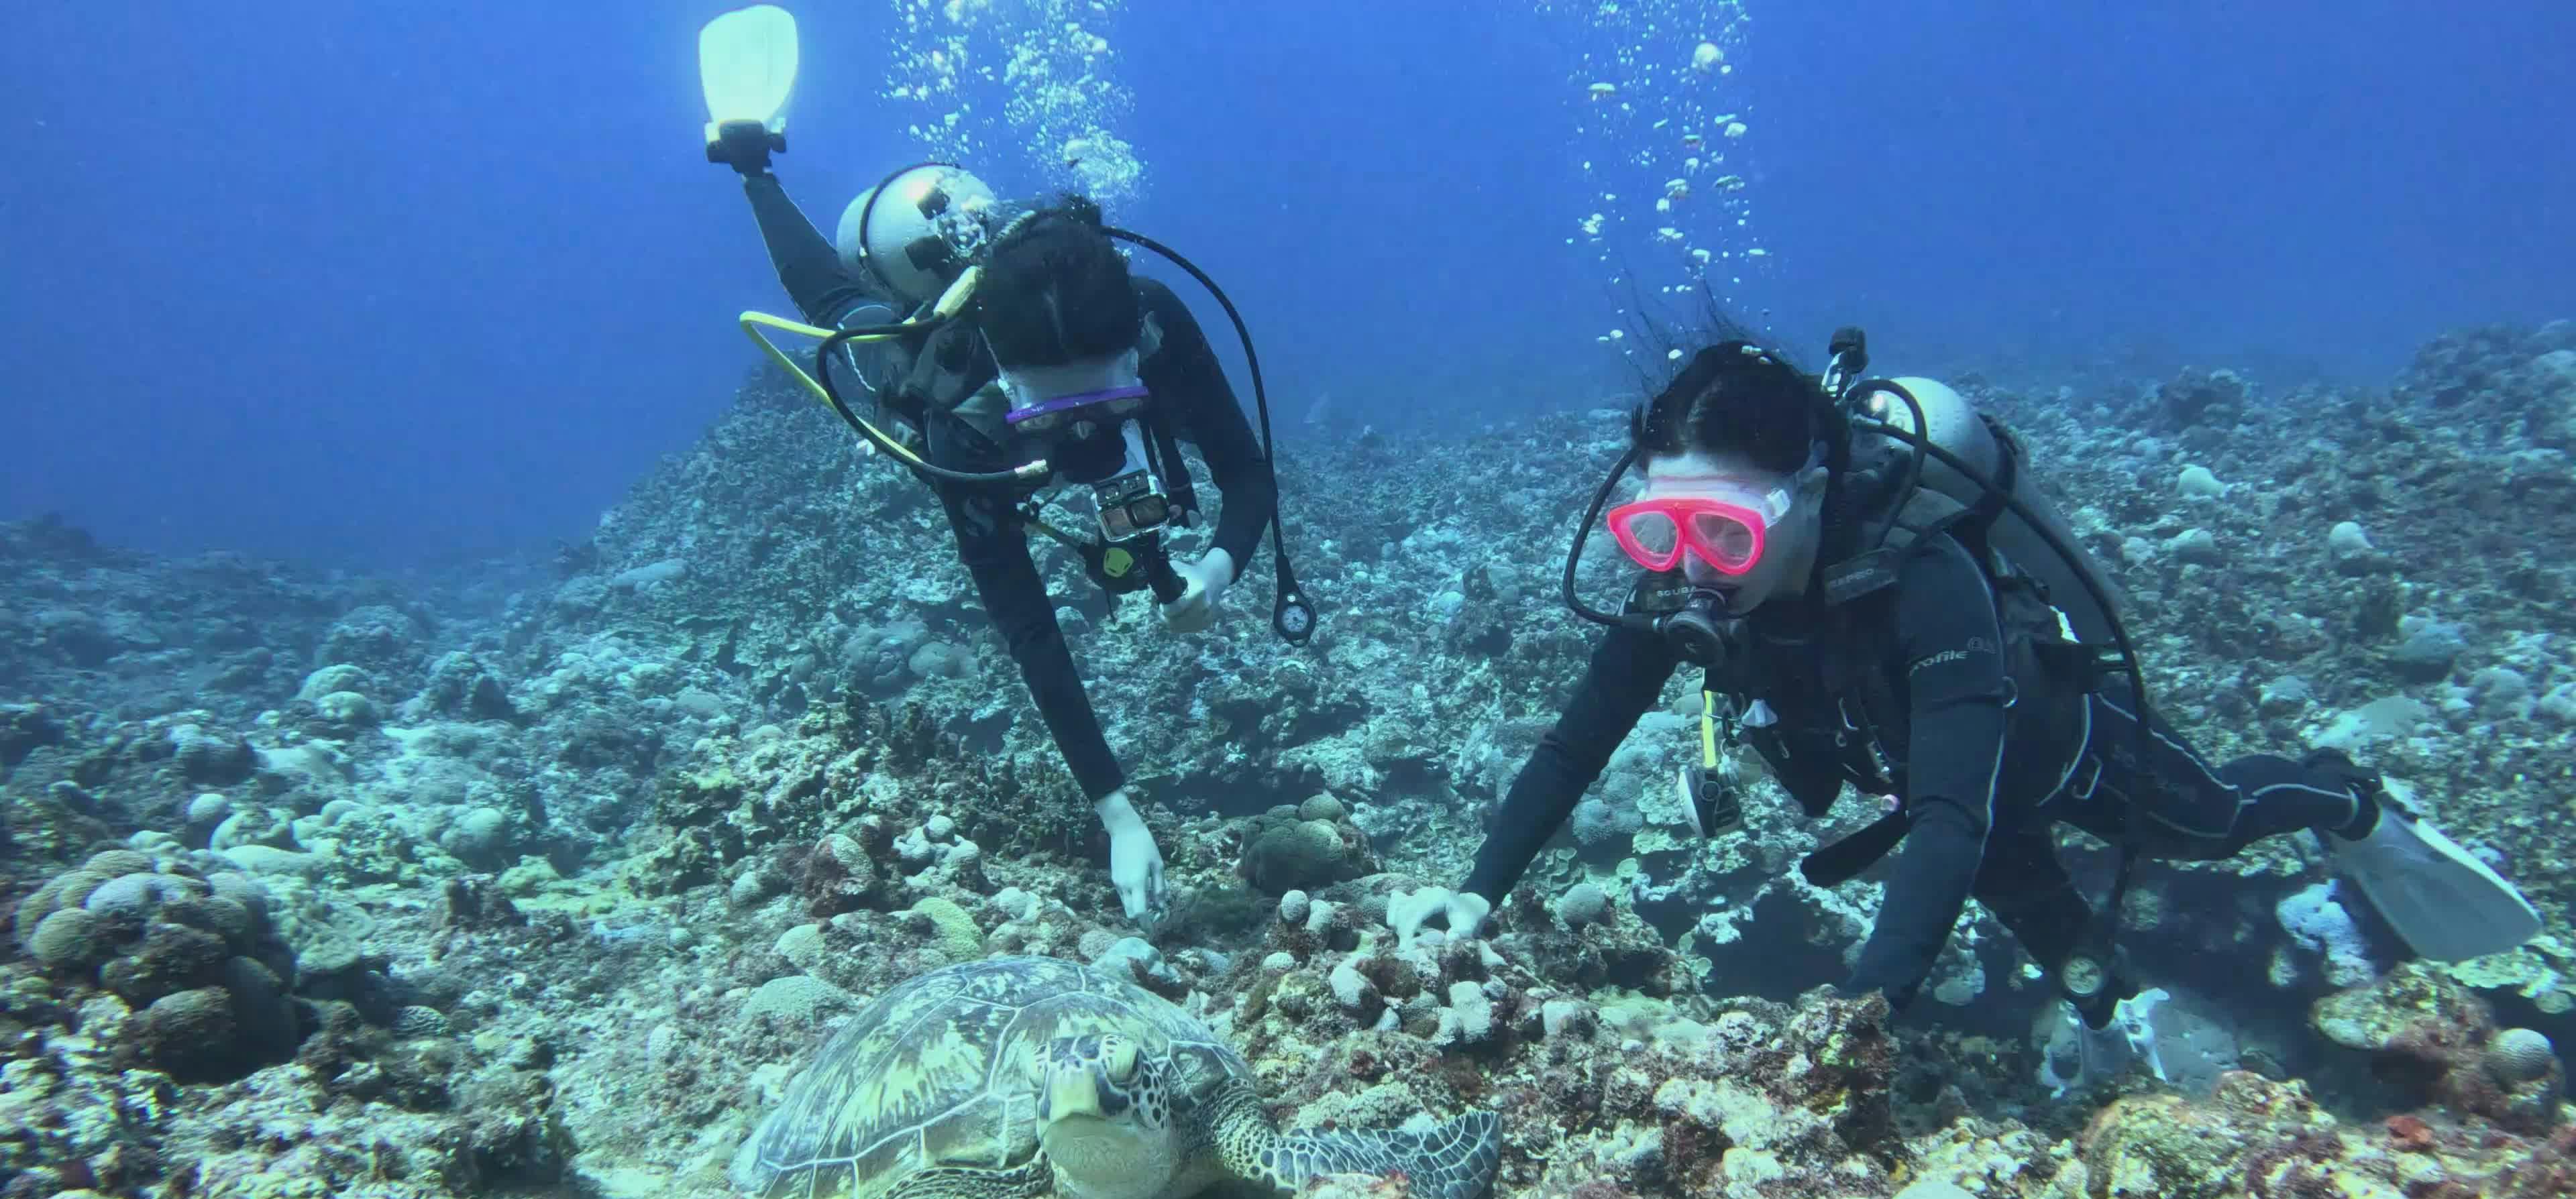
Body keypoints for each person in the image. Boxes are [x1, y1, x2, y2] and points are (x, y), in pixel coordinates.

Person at [1399, 329, 2541, 1021]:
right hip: (1946, 798)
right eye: (1658, 535)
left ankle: (2350, 799)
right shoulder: (1691, 587)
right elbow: (1571, 745)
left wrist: (1861, 1013)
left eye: (1725, 536)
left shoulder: (1924, 576)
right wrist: (1479, 889)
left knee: (2217, 820)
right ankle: (2123, 1034)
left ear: (1803, 495)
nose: (1691, 570)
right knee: (2084, 976)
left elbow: (1945, 815)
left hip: (2051, 753)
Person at [698, 30, 1289, 925]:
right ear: (1001, 381)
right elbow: (1029, 624)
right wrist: (1117, 814)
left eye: (1111, 402)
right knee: (838, 316)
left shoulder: (1156, 321)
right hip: (926, 293)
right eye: (1047, 418)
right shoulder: (936, 381)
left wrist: (1216, 568)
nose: (1085, 436)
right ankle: (748, 158)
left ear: (1137, 351)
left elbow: (1247, 478)